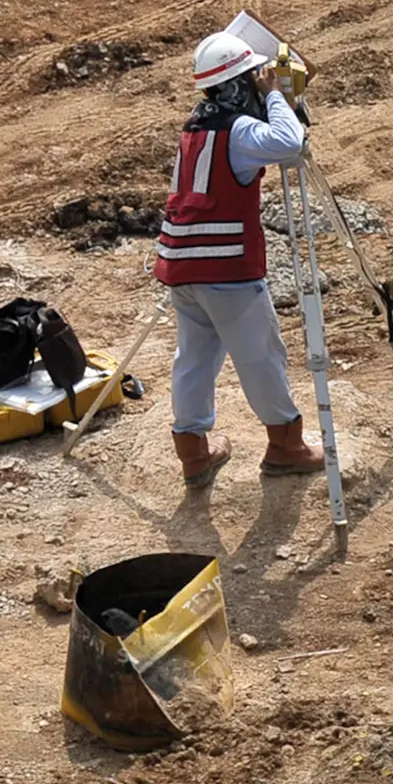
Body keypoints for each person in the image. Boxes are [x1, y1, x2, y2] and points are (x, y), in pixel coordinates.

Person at [152, 31, 326, 488]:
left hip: (182, 266)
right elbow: (290, 142)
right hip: (225, 269)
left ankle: (194, 455)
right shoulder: (241, 130)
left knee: (193, 359)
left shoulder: (194, 128)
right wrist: (274, 96)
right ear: (242, 82)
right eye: (255, 77)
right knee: (260, 357)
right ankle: (286, 446)